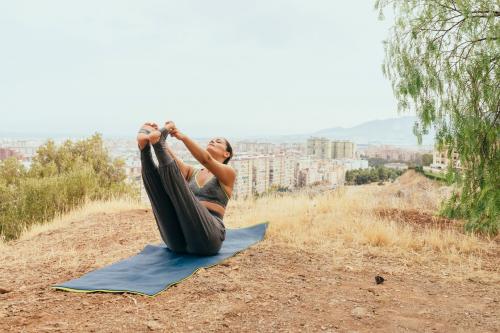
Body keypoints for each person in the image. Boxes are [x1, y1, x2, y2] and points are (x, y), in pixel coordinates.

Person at [137, 121, 236, 256]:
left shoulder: (229, 174)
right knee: (160, 197)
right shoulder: (192, 172)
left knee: (180, 189)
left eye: (218, 141)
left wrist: (182, 137)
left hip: (208, 237)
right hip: (179, 241)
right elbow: (173, 162)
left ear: (227, 154)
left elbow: (206, 159)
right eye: (211, 140)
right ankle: (144, 150)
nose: (212, 141)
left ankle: (155, 145)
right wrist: (161, 141)